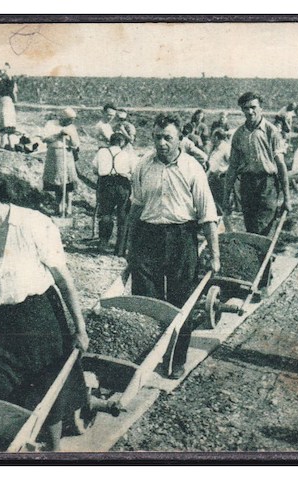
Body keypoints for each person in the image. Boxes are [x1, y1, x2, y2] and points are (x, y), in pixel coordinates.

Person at [0, 153, 90, 451]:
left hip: (39, 315)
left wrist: (80, 327)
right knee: (2, 390)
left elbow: (63, 279)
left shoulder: (32, 224)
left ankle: (54, 453)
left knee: (47, 388)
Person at [128, 113, 220, 380]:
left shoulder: (192, 169)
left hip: (181, 238)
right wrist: (129, 247)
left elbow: (207, 214)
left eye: (167, 137)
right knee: (146, 300)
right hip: (148, 237)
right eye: (157, 137)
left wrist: (215, 255)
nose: (162, 143)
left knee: (181, 301)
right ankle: (144, 358)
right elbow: (136, 207)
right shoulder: (143, 166)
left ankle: (176, 359)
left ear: (180, 138)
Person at [225, 92, 292, 236]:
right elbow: (232, 168)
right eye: (245, 108)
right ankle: (259, 257)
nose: (250, 112)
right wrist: (226, 197)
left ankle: (265, 257)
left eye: (253, 107)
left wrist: (287, 198)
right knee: (250, 228)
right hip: (247, 184)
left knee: (263, 228)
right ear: (241, 110)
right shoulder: (238, 135)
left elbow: (281, 165)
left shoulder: (271, 132)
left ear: (261, 108)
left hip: (267, 184)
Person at [92, 132, 135, 255]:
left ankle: (103, 243)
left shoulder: (101, 152)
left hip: (105, 184)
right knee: (123, 217)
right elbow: (134, 170)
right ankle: (120, 249)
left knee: (106, 214)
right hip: (122, 185)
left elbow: (95, 169)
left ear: (110, 141)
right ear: (121, 143)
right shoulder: (126, 154)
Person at [42, 108, 80, 215]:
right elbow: (45, 139)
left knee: (68, 181)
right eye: (68, 120)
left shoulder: (71, 127)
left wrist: (70, 136)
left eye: (72, 120)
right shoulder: (51, 124)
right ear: (62, 117)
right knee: (57, 182)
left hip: (67, 154)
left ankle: (69, 207)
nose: (70, 122)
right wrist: (58, 135)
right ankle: (60, 206)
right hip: (54, 154)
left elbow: (75, 144)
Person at [206, 128, 231, 215]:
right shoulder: (214, 148)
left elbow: (233, 164)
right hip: (212, 177)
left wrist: (223, 172)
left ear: (216, 137)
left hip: (221, 178)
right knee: (213, 201)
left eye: (212, 136)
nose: (211, 139)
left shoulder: (225, 148)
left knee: (220, 202)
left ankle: (224, 223)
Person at [0, 68, 17, 150]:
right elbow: (14, 96)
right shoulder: (11, 83)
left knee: (3, 128)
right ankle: (12, 146)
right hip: (10, 104)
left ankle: (2, 146)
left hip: (3, 103)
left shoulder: (1, 83)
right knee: (9, 128)